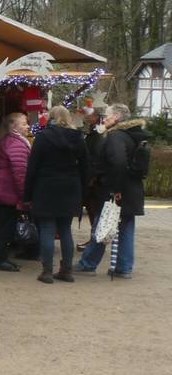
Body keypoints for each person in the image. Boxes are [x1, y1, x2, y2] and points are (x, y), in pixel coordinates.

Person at [75, 104, 149, 279]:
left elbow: (117, 163)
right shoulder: (134, 136)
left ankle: (88, 263)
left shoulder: (115, 137)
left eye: (107, 115)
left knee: (102, 225)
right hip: (132, 190)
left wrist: (115, 188)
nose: (104, 118)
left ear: (116, 117)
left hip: (116, 191)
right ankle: (124, 267)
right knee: (125, 228)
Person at [24, 106, 88, 284]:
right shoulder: (79, 138)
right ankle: (66, 270)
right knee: (66, 229)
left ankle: (47, 271)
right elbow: (85, 167)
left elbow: (33, 167)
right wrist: (83, 192)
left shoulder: (43, 137)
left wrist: (27, 194)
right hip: (71, 187)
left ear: (50, 118)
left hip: (46, 186)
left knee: (47, 228)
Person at [0, 112, 30, 272]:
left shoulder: (8, 141)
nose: (27, 126)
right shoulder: (15, 144)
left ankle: (2, 258)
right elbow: (20, 173)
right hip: (6, 193)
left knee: (4, 227)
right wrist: (25, 195)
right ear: (13, 126)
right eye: (24, 124)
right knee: (5, 228)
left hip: (3, 191)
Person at [78, 106, 108, 251]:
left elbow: (94, 157)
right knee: (93, 212)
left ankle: (94, 242)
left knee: (95, 212)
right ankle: (93, 240)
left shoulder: (98, 134)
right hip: (93, 179)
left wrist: (92, 178)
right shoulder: (94, 133)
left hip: (94, 182)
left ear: (96, 117)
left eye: (88, 115)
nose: (85, 117)